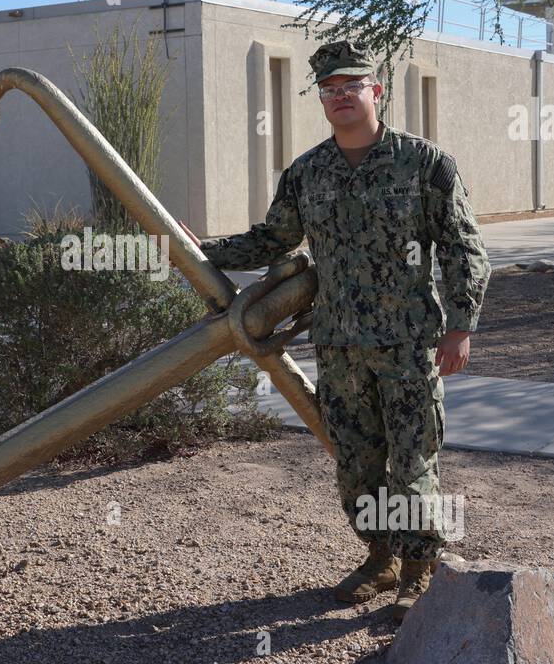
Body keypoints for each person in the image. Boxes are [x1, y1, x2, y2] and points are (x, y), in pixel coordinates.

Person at [181, 40, 490, 621]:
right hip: (340, 347)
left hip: (406, 345)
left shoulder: (425, 164)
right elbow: (272, 240)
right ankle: (381, 559)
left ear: (377, 91)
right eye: (329, 88)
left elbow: (463, 249)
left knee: (414, 463)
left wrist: (461, 325)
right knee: (355, 463)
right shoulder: (307, 172)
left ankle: (420, 571)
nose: (341, 95)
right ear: (321, 99)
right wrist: (203, 250)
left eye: (352, 85)